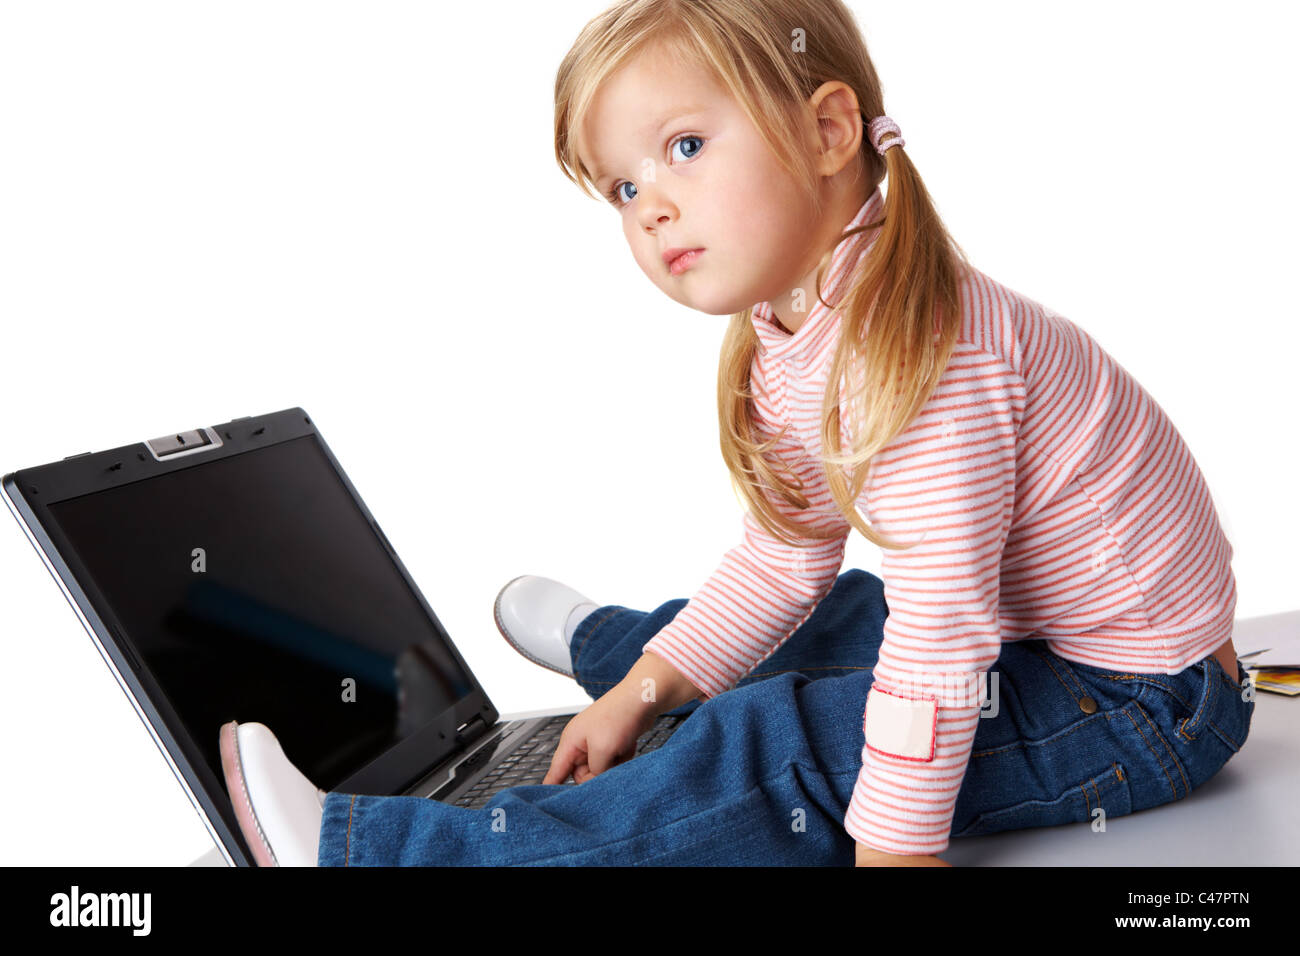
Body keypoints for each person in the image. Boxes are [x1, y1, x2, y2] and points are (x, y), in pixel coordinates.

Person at [219, 0, 1254, 867]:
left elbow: (941, 640)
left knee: (777, 734)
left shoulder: (930, 355)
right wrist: (641, 691)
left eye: (683, 148)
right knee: (834, 610)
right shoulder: (796, 329)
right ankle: (616, 647)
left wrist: (893, 849)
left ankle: (379, 851)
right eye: (625, 186)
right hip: (1037, 640)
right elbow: (786, 557)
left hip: (1141, 705)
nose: (651, 207)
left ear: (827, 130)